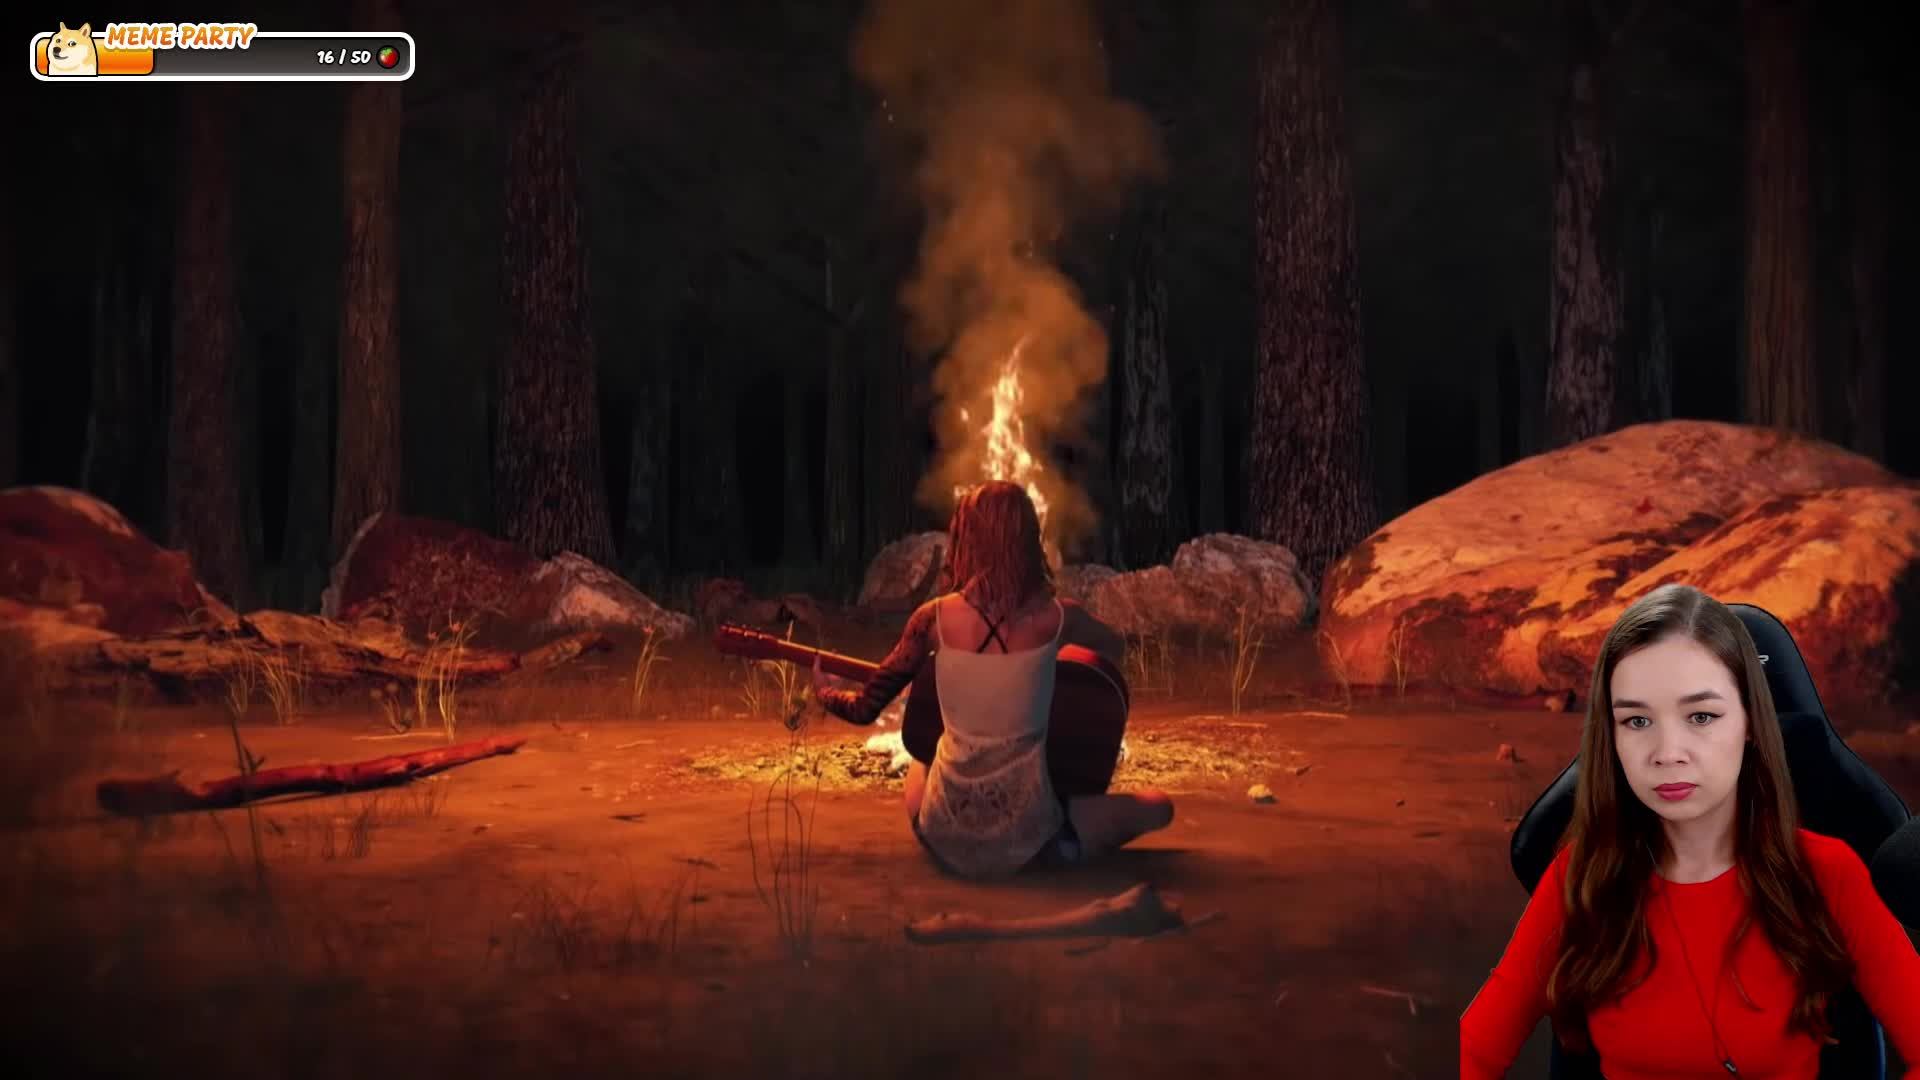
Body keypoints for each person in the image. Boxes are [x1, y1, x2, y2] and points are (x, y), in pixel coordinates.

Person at [1459, 583, 1920, 1079]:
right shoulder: (1579, 876)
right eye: (1637, 721)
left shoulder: (1830, 873)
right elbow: (1478, 1046)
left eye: (1701, 716)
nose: (1667, 753)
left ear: (1750, 722)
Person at [811, 481, 1174, 879]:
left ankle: (949, 829)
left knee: (922, 758)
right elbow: (1113, 646)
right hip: (1032, 841)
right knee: (1158, 807)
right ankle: (1057, 846)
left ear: (966, 539)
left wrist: (825, 691)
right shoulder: (1060, 618)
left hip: (945, 837)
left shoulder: (931, 619)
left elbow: (864, 709)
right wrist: (1059, 670)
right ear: (1028, 541)